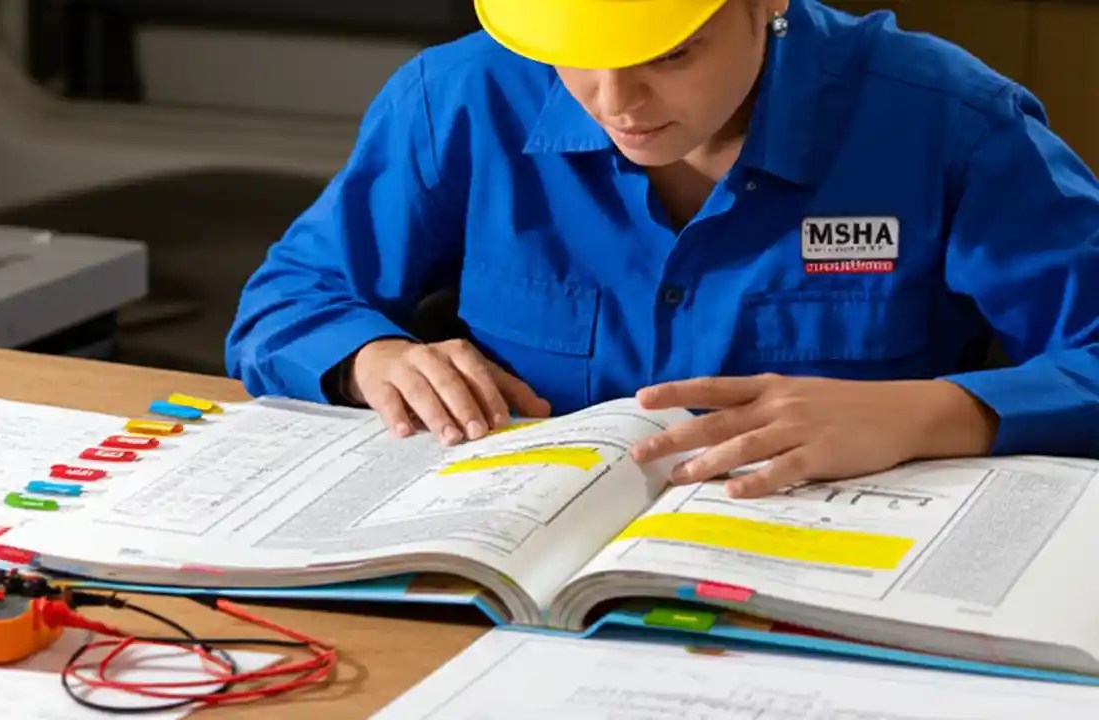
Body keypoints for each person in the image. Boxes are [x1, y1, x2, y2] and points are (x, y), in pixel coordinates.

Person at [225, 0, 1099, 498]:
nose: (616, 101)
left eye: (671, 54)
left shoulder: (949, 123)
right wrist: (371, 357)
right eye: (575, 56)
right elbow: (289, 298)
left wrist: (932, 414)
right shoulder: (459, 97)